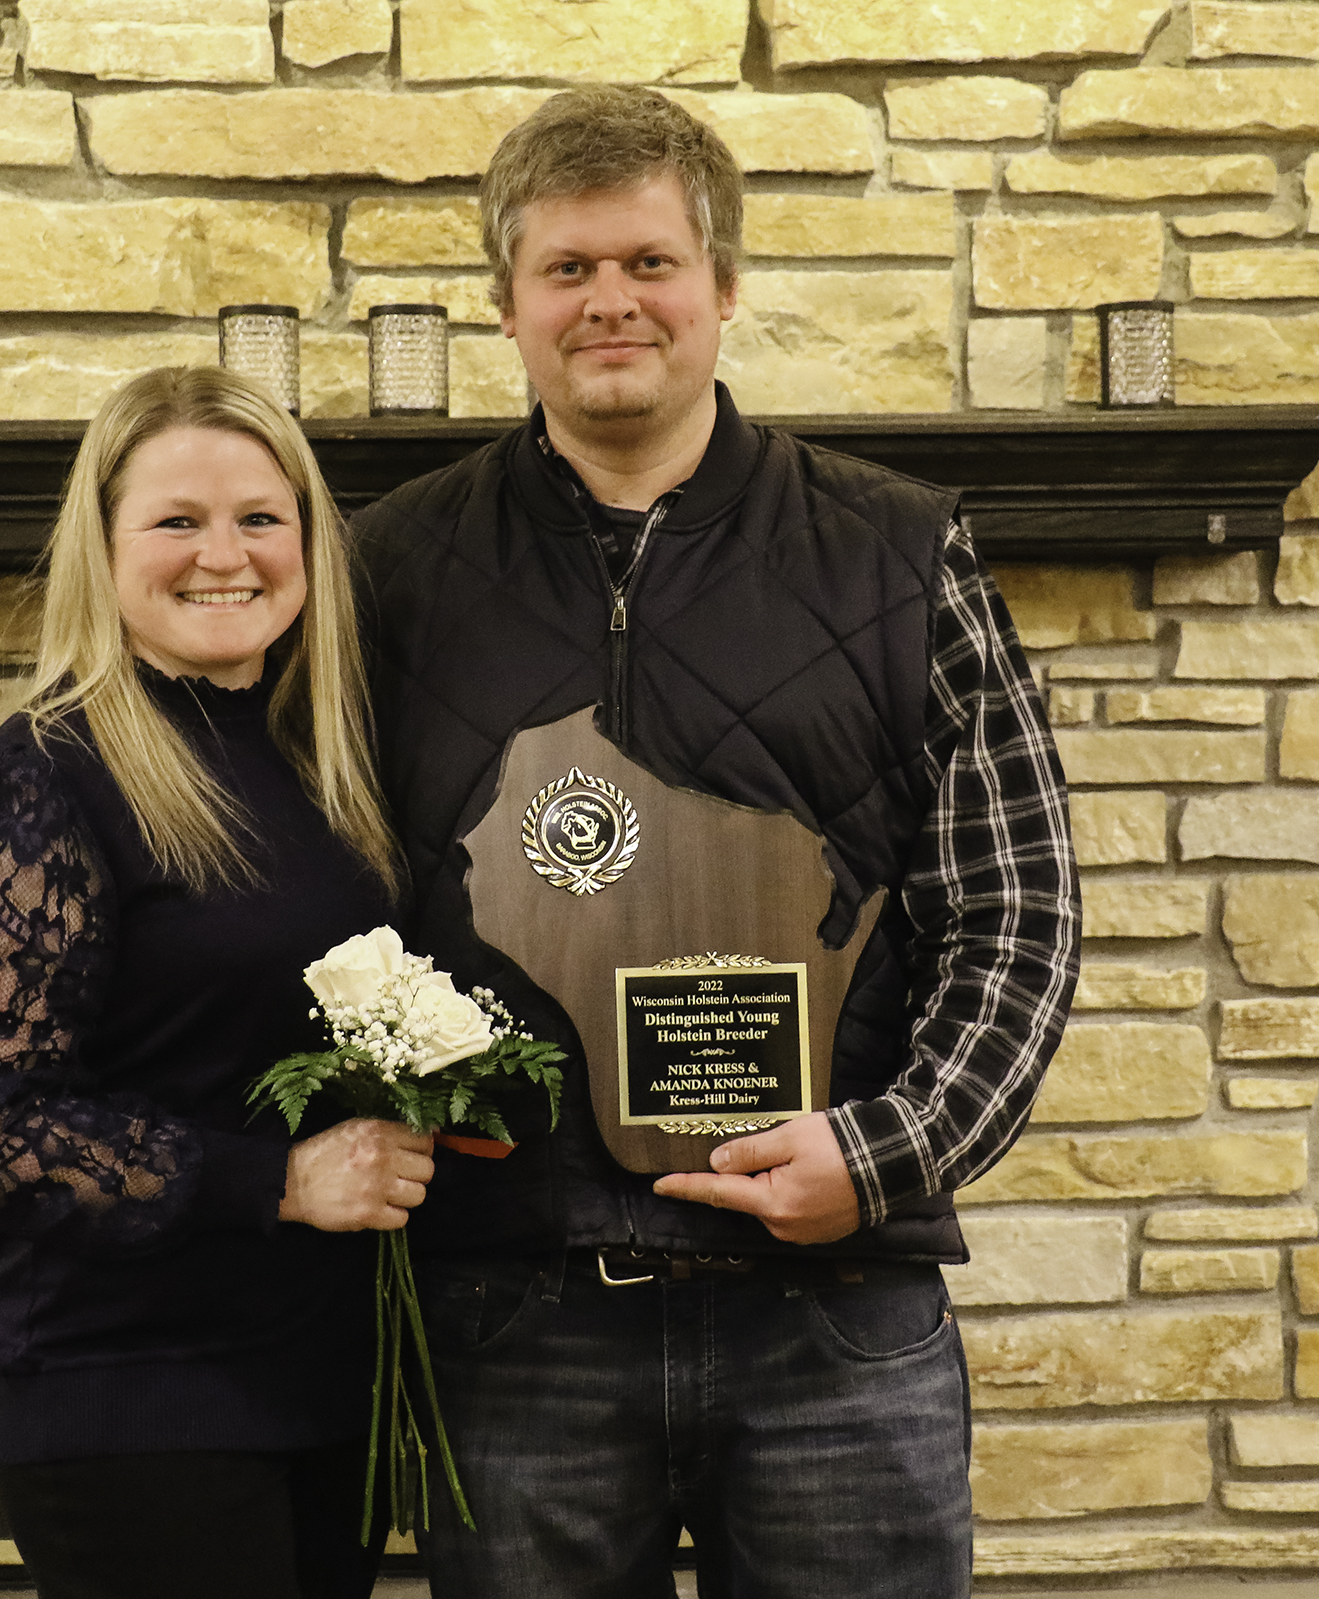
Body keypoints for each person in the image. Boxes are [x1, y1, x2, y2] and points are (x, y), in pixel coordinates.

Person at [350, 87, 1080, 1597]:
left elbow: (1018, 910)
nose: (611, 300)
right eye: (566, 269)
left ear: (724, 288)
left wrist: (885, 1157)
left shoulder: (898, 547)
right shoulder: (388, 566)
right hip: (511, 1305)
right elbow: (308, 890)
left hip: (834, 1311)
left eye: (648, 262)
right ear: (508, 306)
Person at [0, 366, 431, 1599]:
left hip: (317, 1374)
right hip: (129, 1385)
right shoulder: (37, 777)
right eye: (176, 521)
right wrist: (280, 1180)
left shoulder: (326, 761)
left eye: (259, 516)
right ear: (105, 546)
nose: (224, 555)